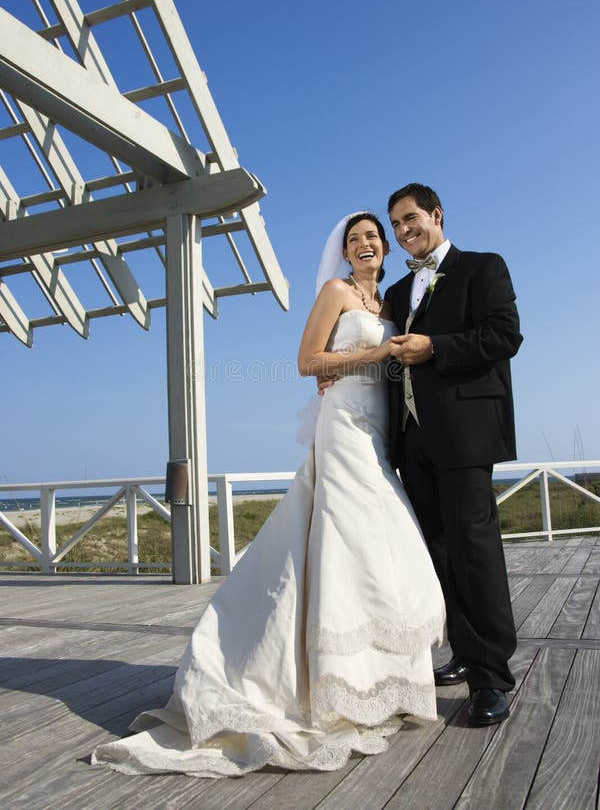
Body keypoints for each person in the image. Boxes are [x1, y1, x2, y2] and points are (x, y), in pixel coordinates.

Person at [91, 212, 445, 777]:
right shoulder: (336, 293)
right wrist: (373, 355)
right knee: (348, 543)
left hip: (380, 429)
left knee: (382, 546)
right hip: (344, 425)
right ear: (344, 251)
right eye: (354, 239)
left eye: (372, 237)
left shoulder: (390, 302)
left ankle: (382, 679)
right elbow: (307, 362)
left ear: (385, 246)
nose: (364, 244)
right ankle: (331, 684)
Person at [384, 183, 522, 726]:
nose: (403, 231)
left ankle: (491, 678)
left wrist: (436, 347)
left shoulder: (483, 267)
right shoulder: (398, 290)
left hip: (465, 433)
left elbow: (504, 336)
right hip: (411, 438)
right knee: (439, 553)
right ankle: (465, 653)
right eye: (396, 224)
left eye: (410, 218)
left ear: (436, 215)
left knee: (474, 551)